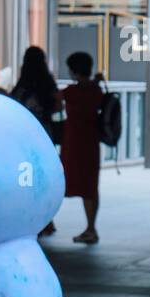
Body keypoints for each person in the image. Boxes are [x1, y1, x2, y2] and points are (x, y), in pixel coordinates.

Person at [12, 46, 62, 236]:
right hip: (45, 134)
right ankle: (47, 219)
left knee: (26, 178)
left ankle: (33, 219)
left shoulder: (22, 86)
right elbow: (58, 106)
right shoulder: (48, 84)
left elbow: (13, 105)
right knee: (44, 178)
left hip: (25, 137)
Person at [59, 51, 104, 244]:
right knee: (90, 186)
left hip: (73, 143)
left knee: (61, 183)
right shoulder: (96, 91)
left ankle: (45, 223)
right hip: (91, 143)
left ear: (73, 70)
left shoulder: (70, 92)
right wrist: (95, 81)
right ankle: (91, 227)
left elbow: (54, 101)